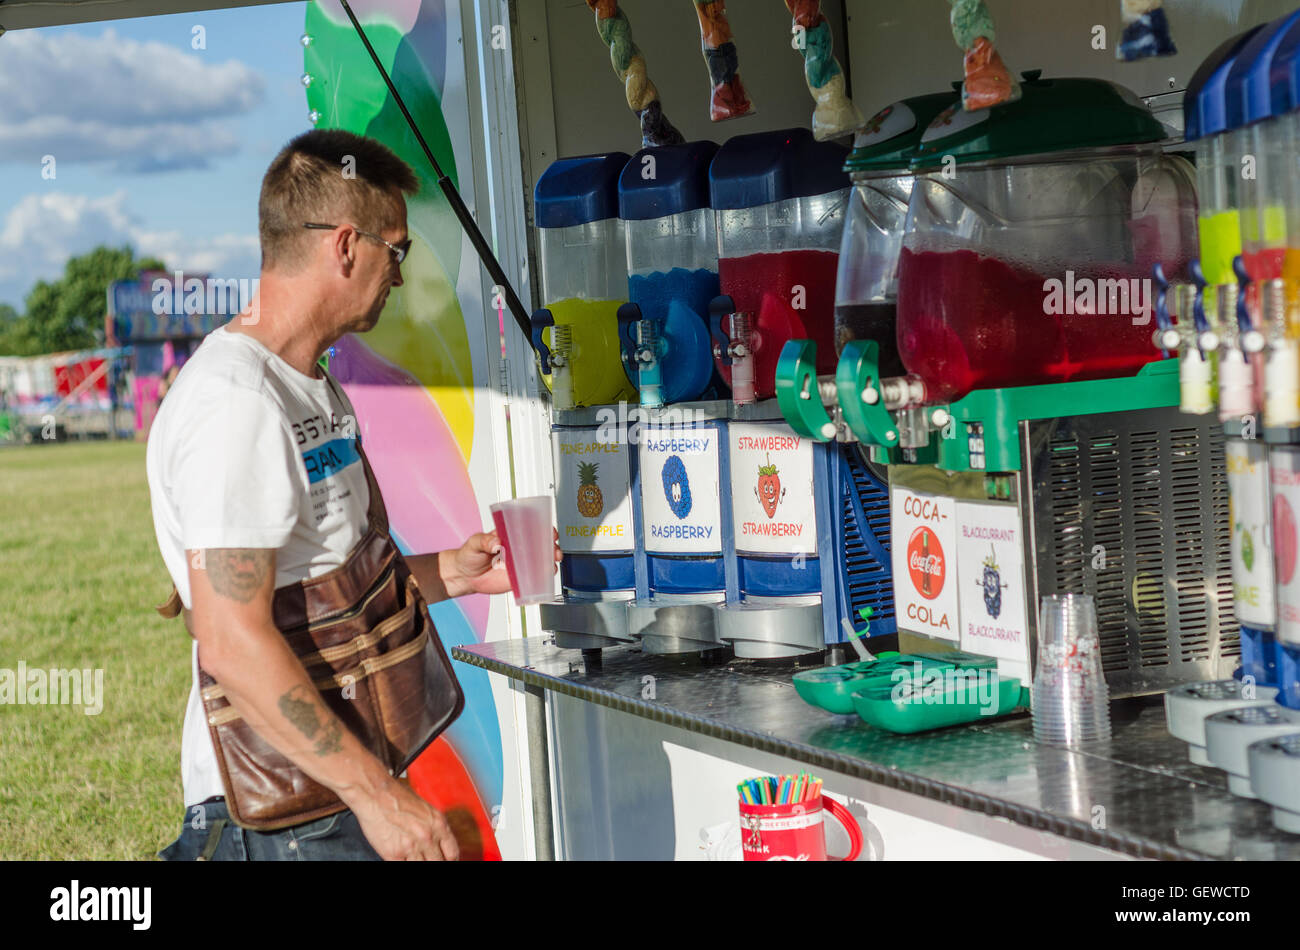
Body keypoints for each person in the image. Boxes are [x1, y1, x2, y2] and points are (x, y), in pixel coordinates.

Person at [146, 128, 558, 861]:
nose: (399, 275)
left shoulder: (310, 385)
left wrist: (453, 573)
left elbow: (329, 586)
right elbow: (232, 641)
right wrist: (379, 796)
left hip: (324, 798)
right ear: (345, 247)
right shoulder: (238, 402)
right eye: (394, 250)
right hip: (280, 817)